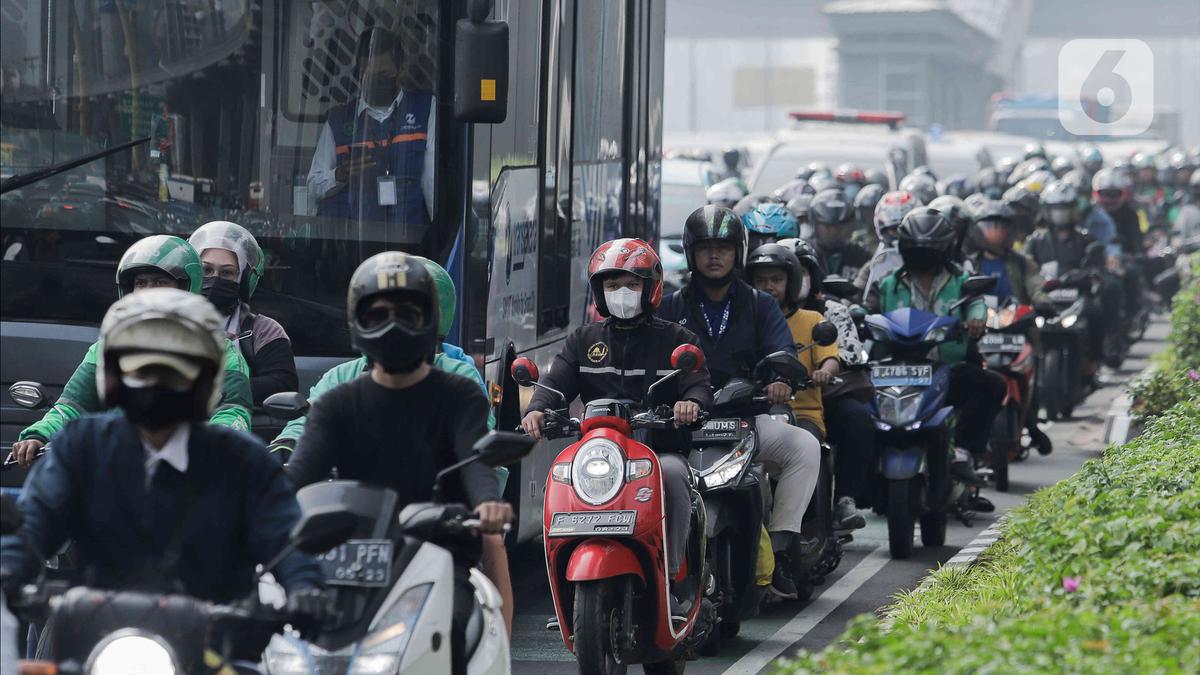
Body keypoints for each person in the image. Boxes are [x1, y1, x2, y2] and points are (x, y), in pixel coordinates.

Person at [0, 290, 325, 645]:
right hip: (94, 636)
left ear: (206, 377)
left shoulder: (244, 460)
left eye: (175, 368)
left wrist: (305, 587)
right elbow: (35, 522)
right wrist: (10, 566)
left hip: (215, 644)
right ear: (112, 373)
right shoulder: (81, 446)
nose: (155, 381)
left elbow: (284, 536)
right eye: (140, 365)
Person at [284, 251, 507, 674]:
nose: (393, 325)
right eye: (378, 314)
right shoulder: (336, 402)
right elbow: (297, 476)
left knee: (466, 615)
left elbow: (478, 461)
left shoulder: (460, 394)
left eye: (408, 313)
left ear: (431, 320)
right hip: (348, 555)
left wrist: (486, 506)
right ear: (357, 324)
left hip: (440, 547)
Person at [520, 238, 711, 615]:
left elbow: (698, 383)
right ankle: (563, 583)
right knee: (560, 477)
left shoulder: (676, 339)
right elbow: (556, 384)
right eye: (612, 286)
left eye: (631, 285)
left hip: (658, 451)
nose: (621, 293)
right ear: (599, 293)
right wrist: (538, 409)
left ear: (651, 288)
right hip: (601, 454)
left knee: (673, 476)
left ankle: (671, 578)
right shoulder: (583, 340)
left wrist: (691, 403)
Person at [657, 205, 822, 598]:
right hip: (683, 425)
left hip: (746, 419)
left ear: (739, 253)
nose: (715, 256)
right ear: (691, 252)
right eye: (706, 248)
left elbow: (783, 351)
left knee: (805, 447)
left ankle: (782, 548)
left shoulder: (759, 303)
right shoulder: (671, 305)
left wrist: (781, 379)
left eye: (724, 248)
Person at [9, 236, 253, 466]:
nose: (148, 291)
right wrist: (38, 435)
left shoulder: (221, 352)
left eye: (160, 282)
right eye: (141, 283)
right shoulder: (106, 349)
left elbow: (232, 414)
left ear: (186, 288)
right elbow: (72, 406)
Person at [865, 208, 1006, 496]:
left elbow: (976, 302)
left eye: (930, 248)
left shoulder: (960, 279)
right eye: (917, 247)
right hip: (893, 369)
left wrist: (977, 320)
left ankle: (964, 452)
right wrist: (856, 316)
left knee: (991, 384)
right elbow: (867, 306)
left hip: (946, 368)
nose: (923, 254)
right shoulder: (889, 282)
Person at [748, 242, 869, 531]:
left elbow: (831, 357)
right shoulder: (746, 320)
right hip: (756, 413)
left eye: (776, 280)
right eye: (761, 280)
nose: (769, 287)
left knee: (808, 447)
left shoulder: (814, 318)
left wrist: (823, 373)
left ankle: (805, 527)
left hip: (803, 413)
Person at [307, 26, 435, 226]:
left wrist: (438, 241)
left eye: (383, 73)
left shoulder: (424, 109)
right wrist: (340, 174)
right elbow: (313, 185)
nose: (375, 81)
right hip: (351, 242)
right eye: (368, 74)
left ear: (401, 70)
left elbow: (431, 182)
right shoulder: (339, 120)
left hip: (409, 242)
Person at [967, 199, 1055, 455]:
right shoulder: (970, 264)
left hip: (1016, 328)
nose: (995, 233)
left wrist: (1043, 302)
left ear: (1011, 231)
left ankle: (1032, 425)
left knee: (1032, 371)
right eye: (989, 227)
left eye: (1001, 227)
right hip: (980, 330)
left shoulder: (1022, 262)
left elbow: (1035, 285)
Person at [189, 221, 298, 405]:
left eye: (227, 273)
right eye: (206, 270)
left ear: (245, 280)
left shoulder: (264, 331)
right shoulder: (172, 324)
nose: (215, 279)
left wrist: (215, 390)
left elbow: (283, 384)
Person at [855, 190, 917, 293]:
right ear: (884, 230)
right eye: (894, 229)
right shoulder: (873, 267)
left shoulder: (933, 264)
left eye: (905, 229)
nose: (900, 235)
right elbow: (858, 297)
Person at [807, 188, 872, 283]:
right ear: (816, 225)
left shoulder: (860, 254)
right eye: (827, 226)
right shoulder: (806, 253)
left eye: (839, 226)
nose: (833, 232)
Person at [852, 183, 886, 250]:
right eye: (864, 211)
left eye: (870, 211)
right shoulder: (858, 239)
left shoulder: (891, 236)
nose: (867, 216)